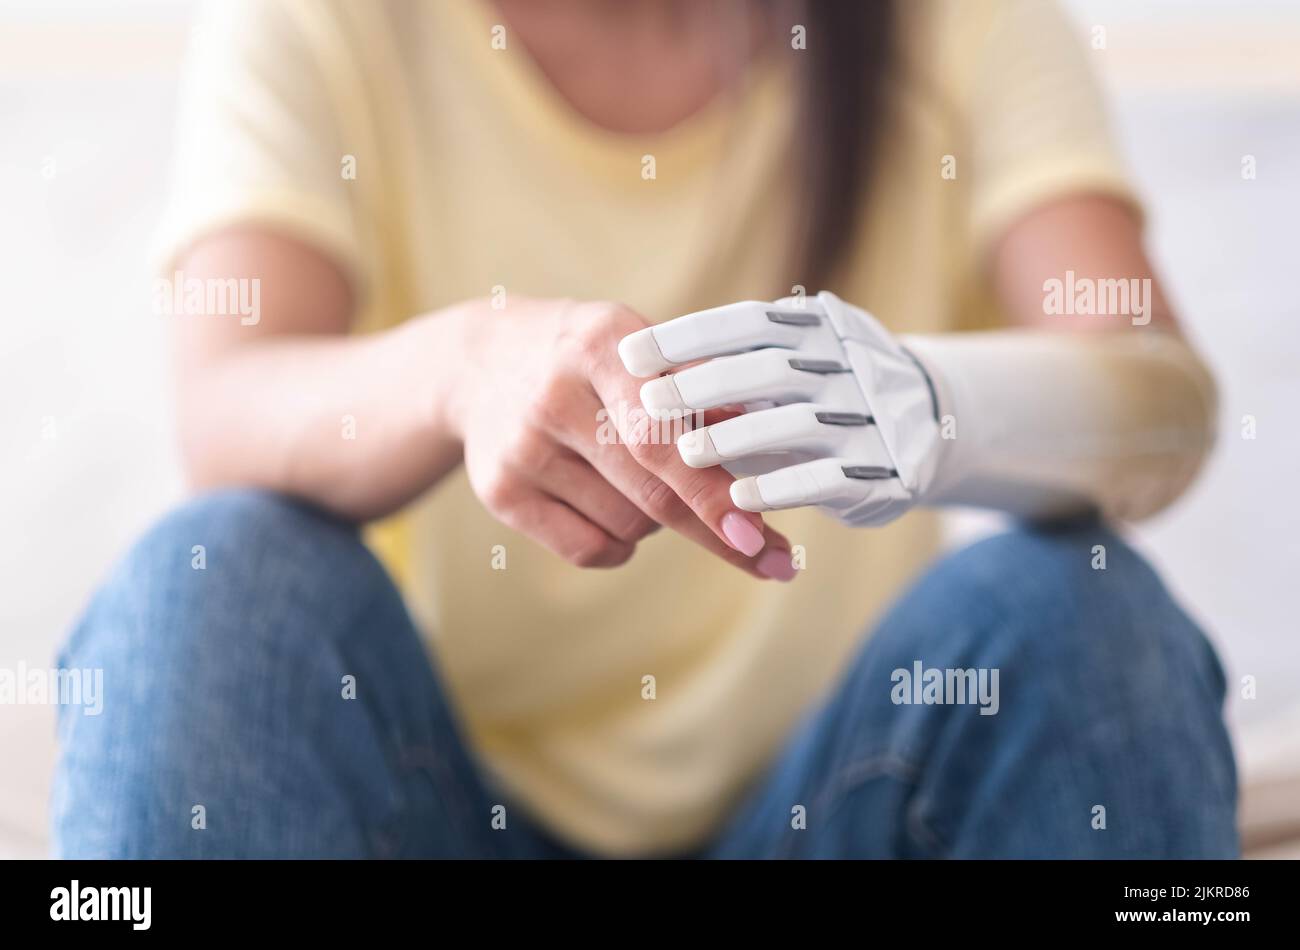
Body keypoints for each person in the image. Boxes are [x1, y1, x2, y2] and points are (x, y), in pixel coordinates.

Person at [52, 0, 1237, 858]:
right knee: (209, 588)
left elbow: (1160, 394)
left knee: (1083, 612)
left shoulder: (962, 26)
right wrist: (464, 364)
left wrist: (931, 401)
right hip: (454, 806)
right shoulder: (322, 25)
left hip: (835, 805)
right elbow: (226, 406)